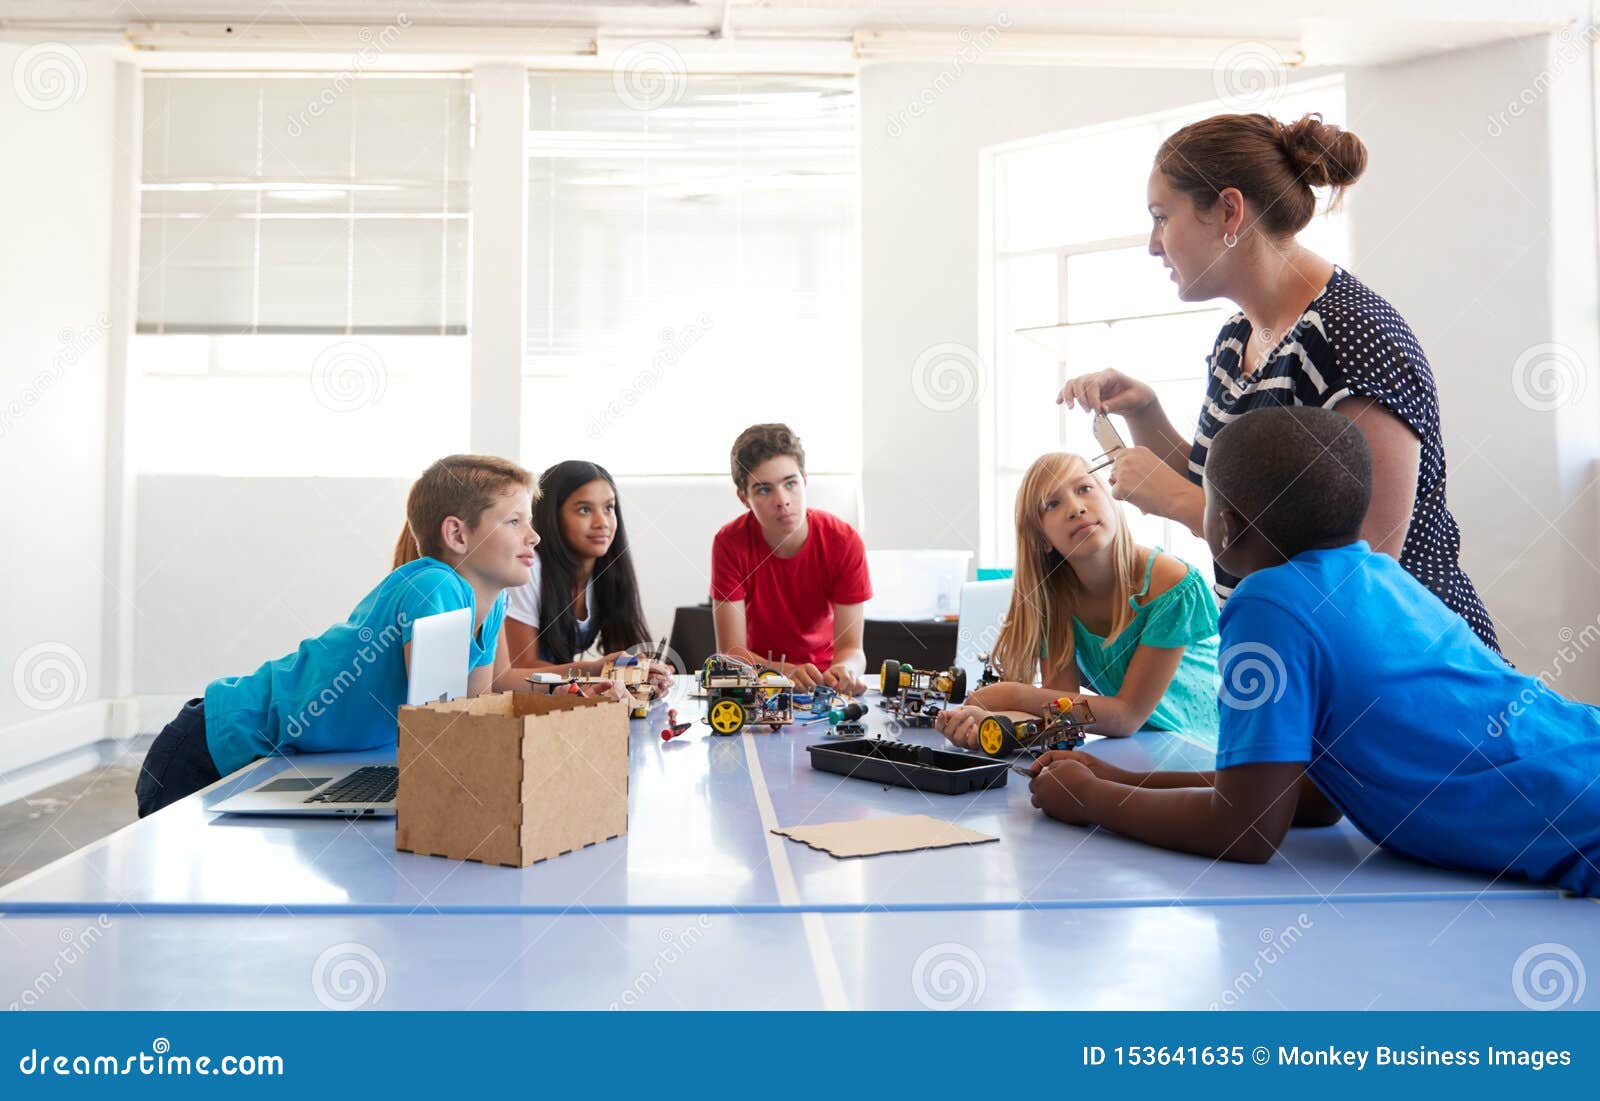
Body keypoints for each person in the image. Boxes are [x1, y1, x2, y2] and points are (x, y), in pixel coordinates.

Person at [1028, 407, 1599, 897]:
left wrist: (1091, 800)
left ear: (1224, 526)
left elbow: (1245, 829)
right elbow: (1313, 797)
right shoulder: (1378, 575)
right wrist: (1120, 779)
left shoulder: (1267, 604)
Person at [1058, 111, 1499, 653]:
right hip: (1301, 657)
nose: (1153, 244)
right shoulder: (1235, 340)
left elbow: (1364, 565)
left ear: (1228, 211)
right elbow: (1226, 493)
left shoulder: (1353, 337)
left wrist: (1174, 502)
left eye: (1161, 216)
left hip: (1401, 666)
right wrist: (1145, 414)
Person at [138, 455, 535, 817]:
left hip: (273, 756)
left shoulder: (492, 603)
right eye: (514, 521)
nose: (533, 536)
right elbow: (437, 733)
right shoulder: (435, 586)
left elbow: (470, 714)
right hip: (207, 745)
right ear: (457, 534)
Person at [933, 452, 1219, 747]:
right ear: (1043, 539)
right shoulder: (1055, 600)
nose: (1076, 508)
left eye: (1084, 489)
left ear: (1110, 500)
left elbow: (1126, 716)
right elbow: (1062, 718)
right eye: (1052, 504)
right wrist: (991, 726)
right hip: (1146, 750)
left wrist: (1013, 694)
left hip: (1209, 752)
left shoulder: (1169, 582)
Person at [710, 423, 871, 694]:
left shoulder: (844, 541)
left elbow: (853, 650)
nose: (782, 500)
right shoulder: (729, 543)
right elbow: (732, 653)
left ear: (805, 480)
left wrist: (845, 669)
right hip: (760, 682)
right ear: (744, 498)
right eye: (763, 489)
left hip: (825, 682)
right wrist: (787, 672)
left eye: (790, 483)